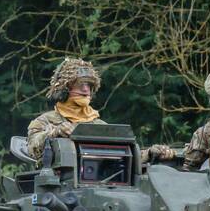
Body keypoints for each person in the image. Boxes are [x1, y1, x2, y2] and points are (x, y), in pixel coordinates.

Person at [26, 57, 172, 166]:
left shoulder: (99, 124)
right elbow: (32, 150)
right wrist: (54, 133)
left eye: (89, 85)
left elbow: (125, 155)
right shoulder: (45, 121)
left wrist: (150, 153)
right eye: (80, 84)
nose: (85, 90)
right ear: (65, 88)